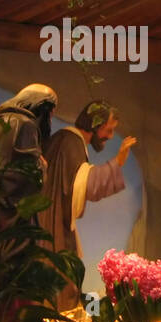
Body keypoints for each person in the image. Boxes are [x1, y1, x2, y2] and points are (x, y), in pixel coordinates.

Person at [39, 101, 137, 308]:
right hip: (52, 225)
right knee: (60, 282)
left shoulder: (68, 141)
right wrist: (118, 162)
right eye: (108, 130)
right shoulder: (69, 141)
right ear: (95, 124)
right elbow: (85, 185)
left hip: (54, 221)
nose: (110, 136)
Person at [0, 84, 57, 259]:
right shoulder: (24, 125)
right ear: (43, 108)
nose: (50, 121)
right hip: (7, 234)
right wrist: (42, 166)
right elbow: (24, 181)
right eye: (51, 113)